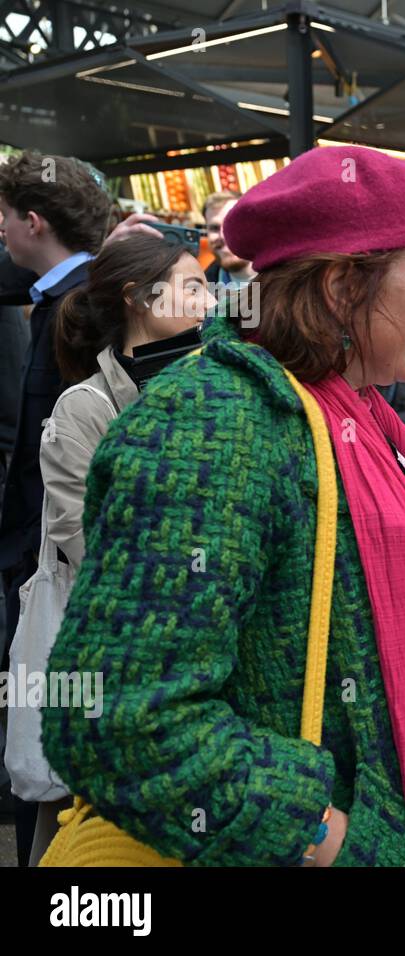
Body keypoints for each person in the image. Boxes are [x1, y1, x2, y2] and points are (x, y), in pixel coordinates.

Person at [43, 145, 405, 866]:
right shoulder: (212, 423)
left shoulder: (352, 410)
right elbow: (116, 719)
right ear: (343, 289)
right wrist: (329, 838)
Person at [13, 235, 214, 863]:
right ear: (137, 298)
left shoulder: (210, 386)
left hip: (190, 649)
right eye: (191, 285)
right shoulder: (85, 407)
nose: (209, 300)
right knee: (76, 813)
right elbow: (84, 540)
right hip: (102, 646)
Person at [0, 151, 111, 866]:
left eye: (5, 218)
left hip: (49, 563)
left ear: (32, 221)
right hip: (53, 554)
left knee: (44, 719)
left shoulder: (70, 309)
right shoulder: (80, 295)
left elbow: (53, 460)